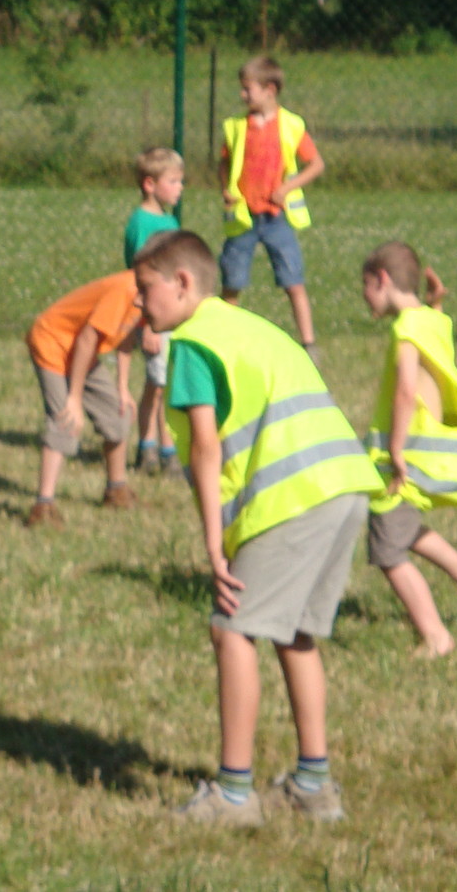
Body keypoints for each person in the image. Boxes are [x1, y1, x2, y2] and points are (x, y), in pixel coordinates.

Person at [132, 230, 371, 826]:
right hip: (342, 486)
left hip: (289, 498)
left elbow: (206, 449)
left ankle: (234, 795)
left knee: (231, 630)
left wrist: (213, 542)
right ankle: (313, 786)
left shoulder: (190, 345)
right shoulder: (250, 325)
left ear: (182, 283)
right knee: (294, 634)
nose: (140, 305)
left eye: (145, 290)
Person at [359, 241, 457, 657]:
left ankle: (435, 635)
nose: (363, 296)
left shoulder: (406, 331)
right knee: (401, 527)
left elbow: (405, 392)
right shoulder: (433, 322)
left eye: (366, 286)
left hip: (404, 456)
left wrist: (395, 450)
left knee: (387, 551)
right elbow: (433, 322)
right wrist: (436, 302)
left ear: (382, 279)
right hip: (424, 454)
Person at [219, 56, 325, 356]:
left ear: (270, 89)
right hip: (244, 217)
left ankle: (308, 344)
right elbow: (224, 163)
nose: (242, 95)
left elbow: (316, 164)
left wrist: (287, 188)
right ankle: (226, 340)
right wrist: (226, 189)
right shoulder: (237, 127)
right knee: (233, 281)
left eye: (246, 89)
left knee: (293, 279)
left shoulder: (291, 126)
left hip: (277, 218)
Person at [23, 270, 141, 527]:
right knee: (65, 419)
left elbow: (128, 335)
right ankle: (43, 506)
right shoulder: (124, 290)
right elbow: (88, 338)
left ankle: (116, 489)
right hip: (52, 342)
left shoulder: (149, 293)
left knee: (118, 411)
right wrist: (74, 398)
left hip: (78, 350)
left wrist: (122, 386)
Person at [124, 147, 185, 477]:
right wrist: (148, 324)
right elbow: (142, 277)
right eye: (173, 181)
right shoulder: (142, 223)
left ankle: (156, 447)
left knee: (163, 382)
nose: (180, 188)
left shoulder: (169, 220)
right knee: (160, 384)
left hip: (171, 315)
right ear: (150, 184)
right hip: (153, 317)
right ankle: (159, 450)